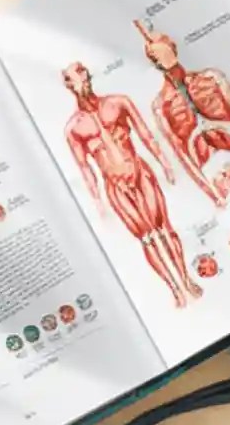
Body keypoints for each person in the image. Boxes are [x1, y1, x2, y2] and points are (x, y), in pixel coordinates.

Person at [62, 61, 203, 308]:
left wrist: (164, 163)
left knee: (164, 228)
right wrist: (97, 202)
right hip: (115, 185)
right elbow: (84, 168)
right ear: (67, 85)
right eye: (71, 77)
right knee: (147, 237)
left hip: (138, 171)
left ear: (88, 73)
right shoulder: (74, 128)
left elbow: (145, 134)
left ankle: (185, 278)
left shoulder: (119, 103)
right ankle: (174, 288)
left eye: (81, 72)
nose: (79, 80)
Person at [136, 20, 230, 207]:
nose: (162, 51)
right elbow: (182, 155)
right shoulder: (161, 106)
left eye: (164, 44)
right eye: (156, 50)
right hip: (211, 172)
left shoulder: (212, 78)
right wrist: (214, 196)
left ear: (173, 47)